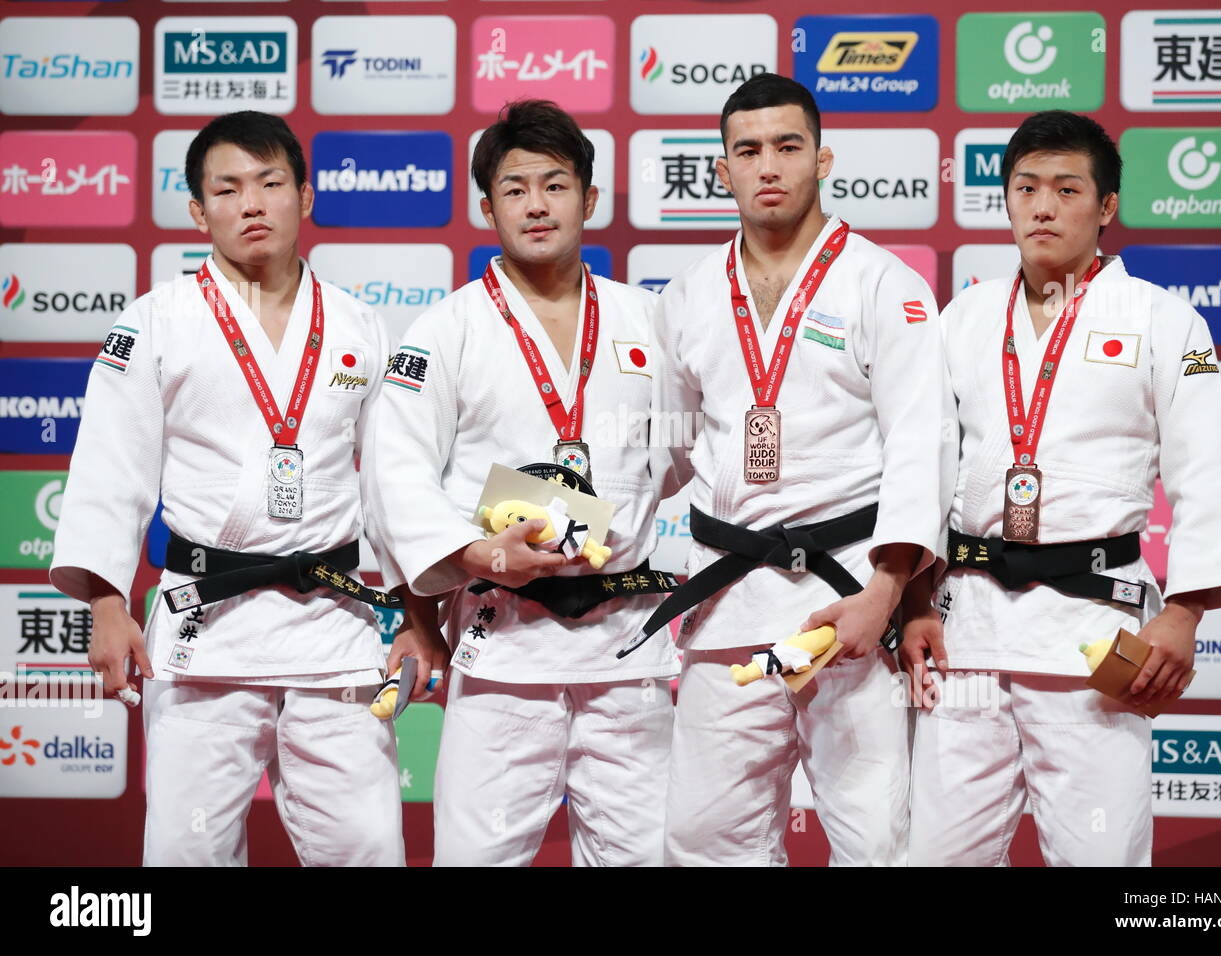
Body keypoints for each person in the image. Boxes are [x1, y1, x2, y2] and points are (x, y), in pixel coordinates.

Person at [50, 111, 434, 866]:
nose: (252, 203)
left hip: (334, 626)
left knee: (368, 848)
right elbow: (108, 468)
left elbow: (395, 486)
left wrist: (419, 619)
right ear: (198, 211)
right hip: (205, 630)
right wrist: (104, 601)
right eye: (228, 189)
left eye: (270, 182)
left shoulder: (360, 323)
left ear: (306, 196)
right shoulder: (157, 322)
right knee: (184, 853)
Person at [902, 110, 1221, 867]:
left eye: (1066, 188)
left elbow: (1206, 479)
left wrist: (1184, 615)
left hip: (1094, 641)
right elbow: (924, 469)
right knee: (933, 857)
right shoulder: (963, 320)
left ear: (1108, 206)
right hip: (972, 636)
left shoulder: (1165, 321)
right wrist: (916, 601)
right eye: (1025, 187)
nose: (1043, 206)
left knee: (1103, 861)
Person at [644, 73, 951, 866]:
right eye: (747, 150)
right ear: (721, 170)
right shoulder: (686, 295)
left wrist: (885, 597)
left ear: (824, 158)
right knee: (706, 841)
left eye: (788, 146)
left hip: (846, 601)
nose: (768, 165)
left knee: (875, 839)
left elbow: (922, 450)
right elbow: (668, 449)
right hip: (728, 603)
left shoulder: (885, 284)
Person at [373, 99, 678, 867]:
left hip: (628, 648)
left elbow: (686, 461)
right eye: (515, 189)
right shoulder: (446, 331)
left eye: (555, 184)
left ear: (590, 198)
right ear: (486, 207)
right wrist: (476, 557)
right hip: (503, 644)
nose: (537, 205)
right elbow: (396, 473)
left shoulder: (652, 321)